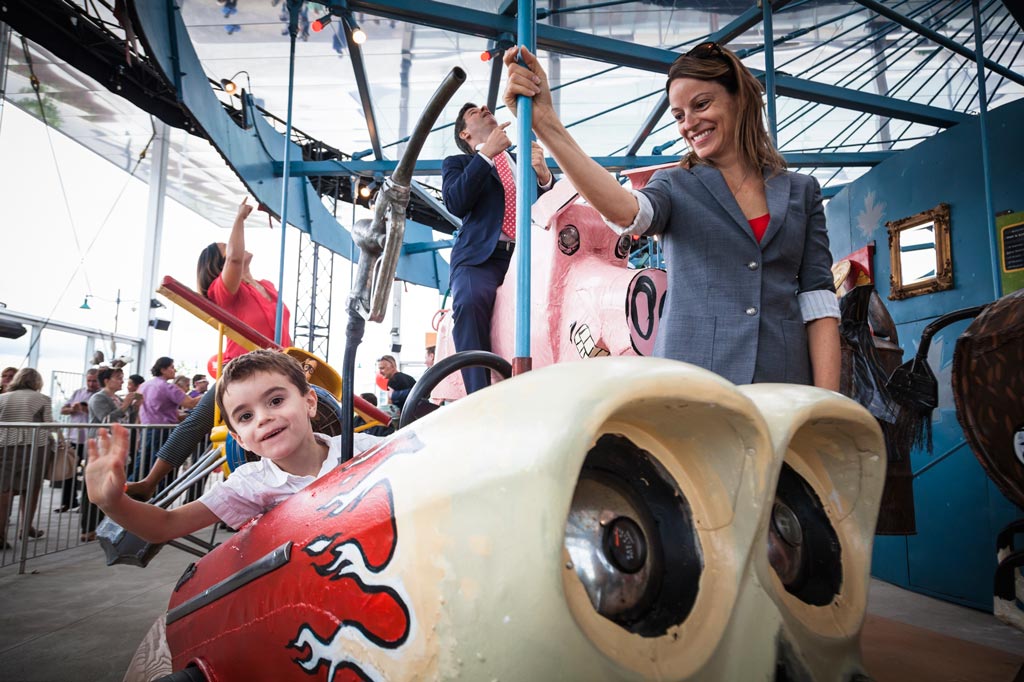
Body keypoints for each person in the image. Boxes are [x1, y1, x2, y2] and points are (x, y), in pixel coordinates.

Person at [503, 44, 840, 389]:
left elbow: (819, 302)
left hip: (783, 384)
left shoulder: (802, 191)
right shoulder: (675, 184)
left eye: (701, 104)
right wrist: (547, 125)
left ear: (739, 98)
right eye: (679, 115)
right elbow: (625, 211)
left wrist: (829, 406)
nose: (689, 124)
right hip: (694, 386)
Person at [86, 351, 382, 543]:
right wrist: (112, 503)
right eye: (246, 416)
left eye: (276, 401)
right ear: (239, 437)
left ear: (309, 402)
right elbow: (164, 525)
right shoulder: (251, 484)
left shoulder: (365, 450)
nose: (264, 418)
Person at [125, 197, 297, 499]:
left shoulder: (268, 286)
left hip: (279, 370)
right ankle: (149, 482)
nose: (236, 249)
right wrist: (239, 218)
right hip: (241, 371)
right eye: (228, 247)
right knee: (197, 421)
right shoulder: (225, 290)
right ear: (221, 261)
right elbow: (233, 260)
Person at [441, 103, 554, 394]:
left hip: (527, 257)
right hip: (481, 258)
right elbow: (456, 202)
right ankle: (479, 396)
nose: (484, 108)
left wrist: (544, 176)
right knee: (469, 301)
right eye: (474, 112)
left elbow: (551, 209)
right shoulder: (459, 163)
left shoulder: (523, 158)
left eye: (486, 108)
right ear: (465, 134)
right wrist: (486, 155)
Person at [0, 368, 59, 548]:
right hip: (34, 446)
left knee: (3, 490)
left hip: (3, 445)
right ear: (37, 382)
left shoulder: (2, 397)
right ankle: (26, 528)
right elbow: (49, 424)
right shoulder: (42, 399)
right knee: (31, 487)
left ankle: (0, 534)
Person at [83, 367, 140, 541]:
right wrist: (124, 406)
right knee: (95, 484)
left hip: (115, 444)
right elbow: (107, 419)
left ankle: (105, 524)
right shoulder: (98, 398)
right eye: (118, 378)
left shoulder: (117, 398)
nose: (122, 381)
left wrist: (135, 407)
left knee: (113, 484)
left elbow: (126, 420)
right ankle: (88, 526)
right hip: (101, 444)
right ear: (107, 380)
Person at [135, 357, 201, 481]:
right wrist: (207, 395)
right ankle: (160, 495)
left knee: (143, 464)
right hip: (164, 432)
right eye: (171, 367)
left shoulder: (143, 386)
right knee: (164, 467)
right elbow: (190, 403)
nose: (174, 370)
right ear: (163, 369)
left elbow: (137, 405)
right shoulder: (167, 387)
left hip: (146, 429)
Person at [56, 368, 100, 513]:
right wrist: (73, 409)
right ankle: (67, 502)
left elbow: (99, 416)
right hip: (74, 437)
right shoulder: (78, 392)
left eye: (94, 380)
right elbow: (63, 409)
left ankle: (86, 503)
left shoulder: (101, 396)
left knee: (90, 472)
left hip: (91, 439)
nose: (91, 383)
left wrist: (85, 410)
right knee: (69, 470)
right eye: (89, 380)